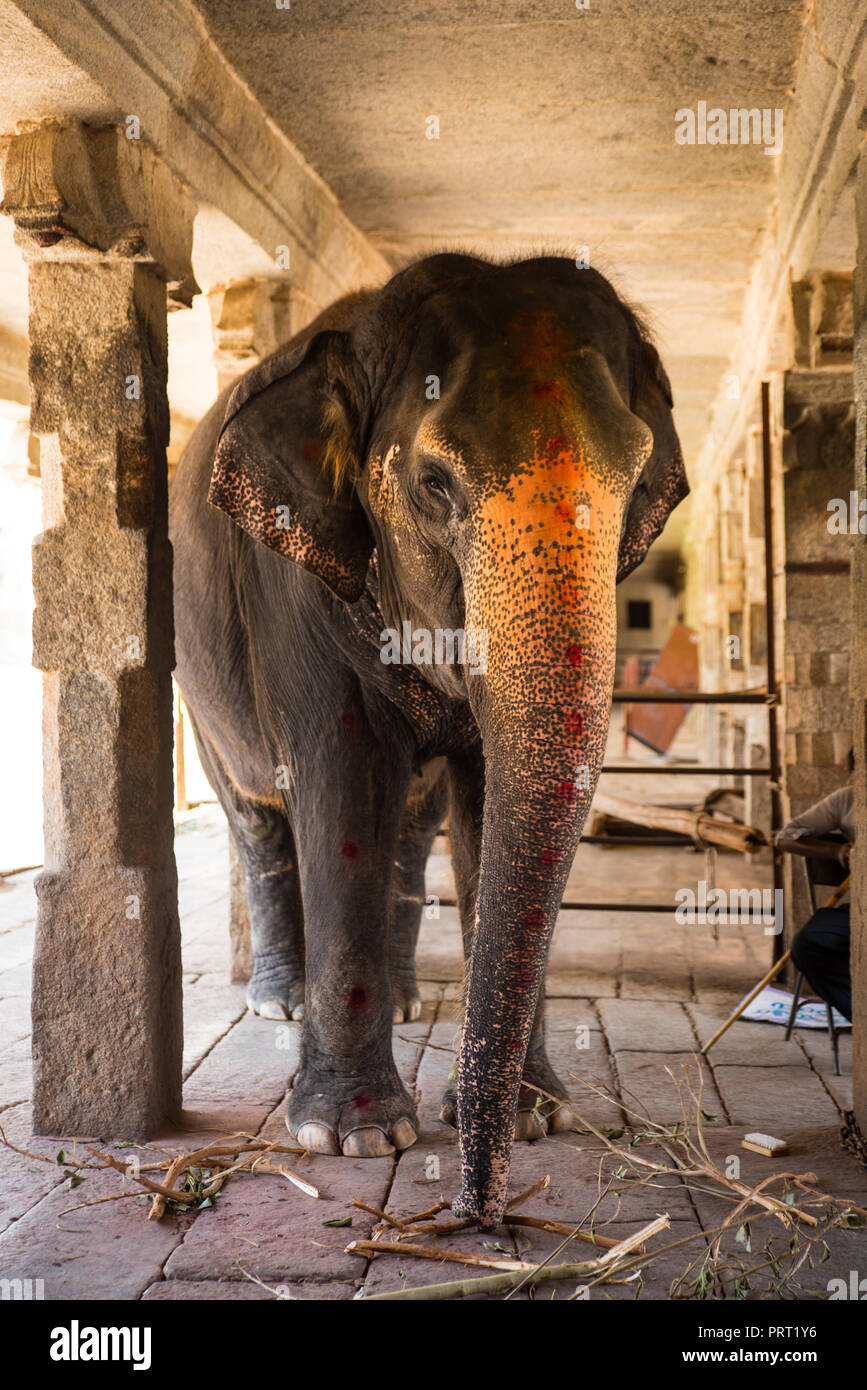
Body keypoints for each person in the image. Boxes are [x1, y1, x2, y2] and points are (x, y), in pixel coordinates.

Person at [775, 764, 854, 1023]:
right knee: (809, 943)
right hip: (861, 911)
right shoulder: (848, 799)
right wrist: (836, 852)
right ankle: (858, 1011)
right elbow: (784, 838)